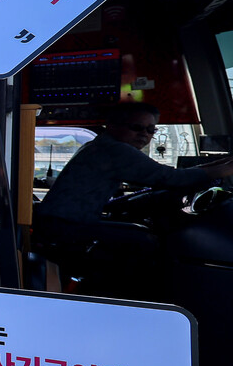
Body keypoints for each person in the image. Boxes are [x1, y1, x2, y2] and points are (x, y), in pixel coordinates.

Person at [34, 102, 233, 295]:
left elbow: (169, 176)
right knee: (146, 240)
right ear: (112, 126)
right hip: (66, 227)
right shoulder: (115, 150)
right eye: (137, 127)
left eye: (150, 130)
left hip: (57, 223)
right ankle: (131, 296)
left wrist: (217, 165)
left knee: (136, 233)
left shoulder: (98, 145)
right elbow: (169, 178)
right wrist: (223, 169)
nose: (144, 135)